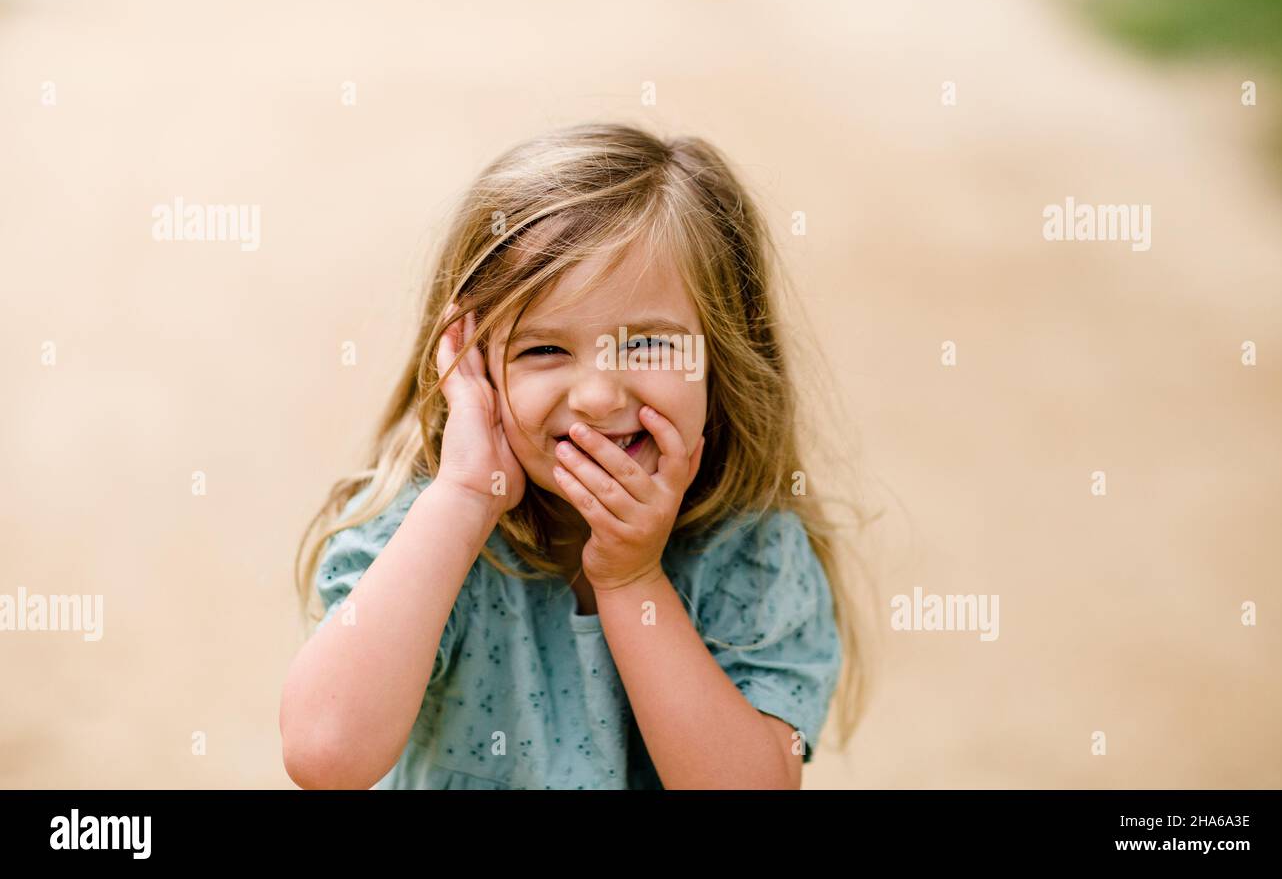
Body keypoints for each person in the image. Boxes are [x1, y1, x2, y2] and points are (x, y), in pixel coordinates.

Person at [280, 122, 869, 789]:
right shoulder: (421, 524)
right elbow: (324, 752)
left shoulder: (751, 553)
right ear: (472, 363)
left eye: (647, 344)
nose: (595, 396)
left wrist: (630, 579)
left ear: (724, 360)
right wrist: (465, 497)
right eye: (543, 350)